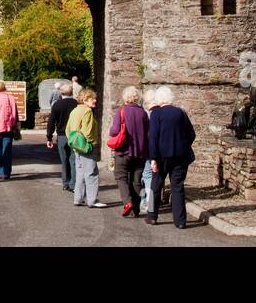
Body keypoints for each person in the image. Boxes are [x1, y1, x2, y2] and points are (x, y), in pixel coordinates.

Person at [145, 86, 196, 229]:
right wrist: (183, 146)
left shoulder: (156, 114)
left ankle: (152, 216)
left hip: (161, 157)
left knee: (155, 186)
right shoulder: (180, 112)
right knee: (177, 187)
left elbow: (153, 138)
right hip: (180, 156)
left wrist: (153, 158)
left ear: (159, 99)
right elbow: (191, 134)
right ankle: (180, 221)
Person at [108, 86, 149, 217]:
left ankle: (127, 202)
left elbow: (114, 131)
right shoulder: (143, 112)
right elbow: (148, 132)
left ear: (125, 97)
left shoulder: (122, 111)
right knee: (136, 180)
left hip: (123, 151)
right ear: (137, 97)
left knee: (121, 177)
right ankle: (135, 210)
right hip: (140, 152)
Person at [66, 87, 107, 208]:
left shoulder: (75, 111)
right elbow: (87, 132)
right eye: (92, 98)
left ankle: (78, 198)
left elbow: (68, 130)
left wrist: (74, 143)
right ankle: (92, 200)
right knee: (91, 173)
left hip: (76, 146)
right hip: (86, 146)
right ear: (85, 99)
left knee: (80, 173)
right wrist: (92, 143)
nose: (94, 100)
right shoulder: (87, 111)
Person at [45, 82, 78, 192]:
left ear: (60, 93)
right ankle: (74, 183)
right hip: (75, 135)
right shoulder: (76, 104)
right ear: (72, 92)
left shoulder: (57, 105)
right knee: (73, 160)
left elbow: (51, 122)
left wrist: (49, 137)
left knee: (64, 161)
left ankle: (66, 182)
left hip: (62, 135)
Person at [0, 80, 20, 180]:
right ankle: (5, 173)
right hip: (9, 127)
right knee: (7, 150)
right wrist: (14, 125)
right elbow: (15, 114)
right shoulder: (11, 98)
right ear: (4, 88)